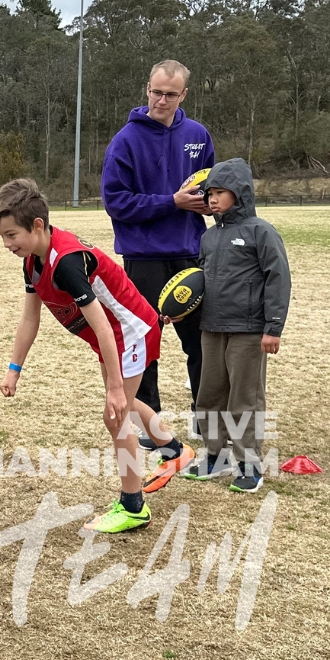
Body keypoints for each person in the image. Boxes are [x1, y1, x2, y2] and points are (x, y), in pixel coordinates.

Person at [0, 178, 194, 534]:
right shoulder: (34, 262)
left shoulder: (66, 263)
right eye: (3, 237)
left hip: (130, 332)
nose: (6, 244)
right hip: (114, 336)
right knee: (123, 405)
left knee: (115, 416)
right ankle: (176, 452)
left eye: (11, 235)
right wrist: (13, 370)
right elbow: (29, 318)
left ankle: (133, 508)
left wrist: (115, 386)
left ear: (37, 225)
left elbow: (102, 326)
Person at [101, 59, 215, 437]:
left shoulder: (198, 134)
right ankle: (150, 425)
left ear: (183, 95)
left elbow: (215, 189)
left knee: (202, 342)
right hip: (144, 259)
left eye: (170, 94)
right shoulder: (125, 141)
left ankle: (205, 419)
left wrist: (213, 203)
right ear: (146, 89)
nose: (161, 101)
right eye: (156, 92)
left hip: (190, 255)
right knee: (145, 345)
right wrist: (171, 202)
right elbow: (116, 202)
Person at [182, 159, 290, 493]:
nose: (212, 200)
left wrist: (273, 327)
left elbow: (278, 279)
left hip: (248, 330)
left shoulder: (261, 232)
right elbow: (199, 282)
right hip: (211, 327)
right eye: (209, 193)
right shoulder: (209, 237)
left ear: (239, 193)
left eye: (219, 193)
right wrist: (181, 309)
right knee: (209, 393)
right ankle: (215, 455)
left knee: (245, 397)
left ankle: (249, 463)